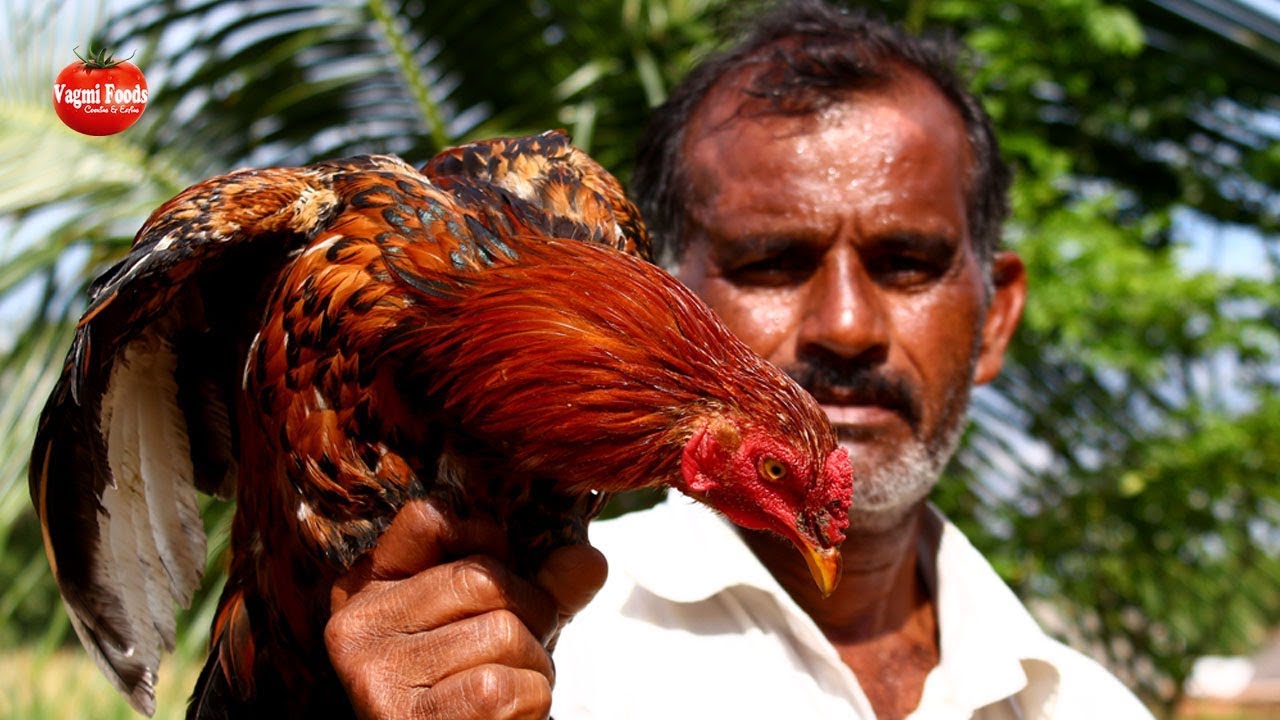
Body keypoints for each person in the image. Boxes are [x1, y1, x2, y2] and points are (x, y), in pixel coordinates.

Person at [325, 2, 1153, 718]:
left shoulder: (1085, 706)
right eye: (770, 262)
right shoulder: (492, 644)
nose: (846, 325)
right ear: (672, 294)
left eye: (906, 263)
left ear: (998, 317)